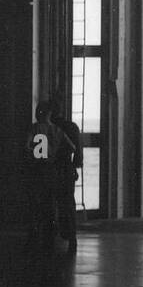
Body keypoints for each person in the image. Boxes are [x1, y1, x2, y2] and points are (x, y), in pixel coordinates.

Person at [24, 103, 75, 255]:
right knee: (50, 204)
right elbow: (71, 147)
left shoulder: (34, 129)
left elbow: (26, 147)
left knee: (36, 205)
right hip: (51, 170)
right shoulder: (57, 130)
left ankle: (34, 239)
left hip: (37, 169)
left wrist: (33, 156)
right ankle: (50, 239)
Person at [50, 97, 82, 255]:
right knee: (68, 204)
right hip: (66, 168)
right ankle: (72, 238)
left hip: (50, 169)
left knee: (48, 203)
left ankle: (49, 237)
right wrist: (75, 168)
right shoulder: (71, 127)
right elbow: (78, 153)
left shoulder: (49, 128)